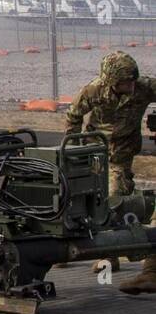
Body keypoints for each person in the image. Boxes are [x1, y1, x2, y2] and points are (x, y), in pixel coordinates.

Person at [64, 50, 156, 294]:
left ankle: (110, 250)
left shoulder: (145, 87)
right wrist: (73, 150)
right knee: (87, 198)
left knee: (114, 198)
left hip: (122, 150)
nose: (130, 85)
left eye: (132, 80)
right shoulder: (93, 91)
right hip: (95, 150)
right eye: (125, 82)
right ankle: (92, 250)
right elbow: (73, 116)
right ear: (111, 81)